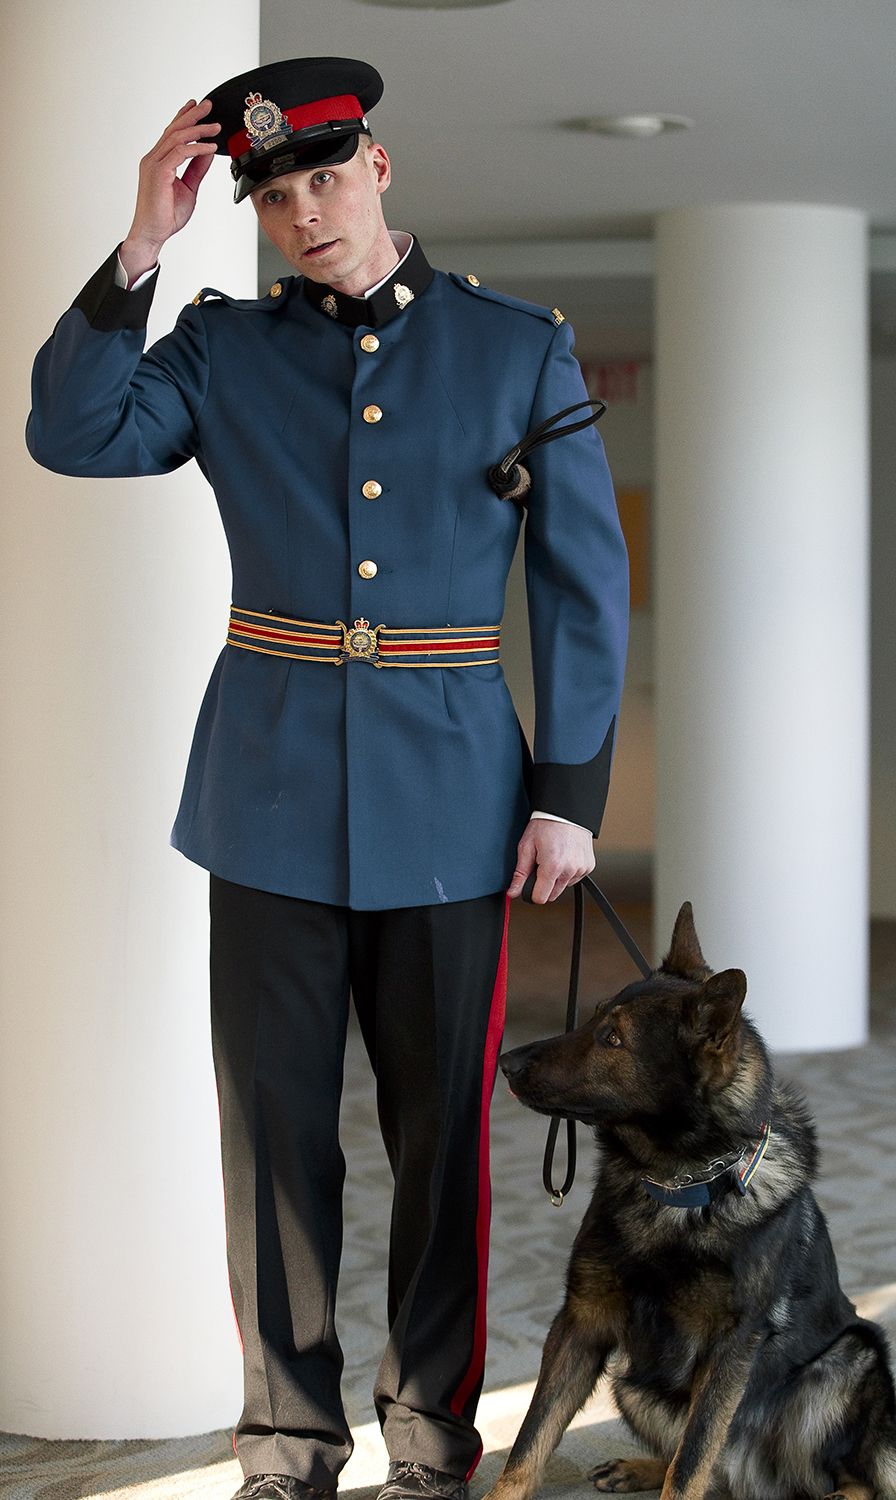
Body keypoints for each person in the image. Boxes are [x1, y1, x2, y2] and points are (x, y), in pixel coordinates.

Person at [26, 56, 629, 1500]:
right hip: (272, 799)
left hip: (454, 803)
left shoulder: (514, 347)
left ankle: (428, 1440)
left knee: (441, 1146)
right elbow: (71, 430)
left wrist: (572, 790)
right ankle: (289, 1441)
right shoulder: (225, 351)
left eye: (326, 177)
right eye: (275, 192)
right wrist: (140, 250)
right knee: (275, 1144)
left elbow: (584, 584)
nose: (305, 212)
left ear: (381, 167)